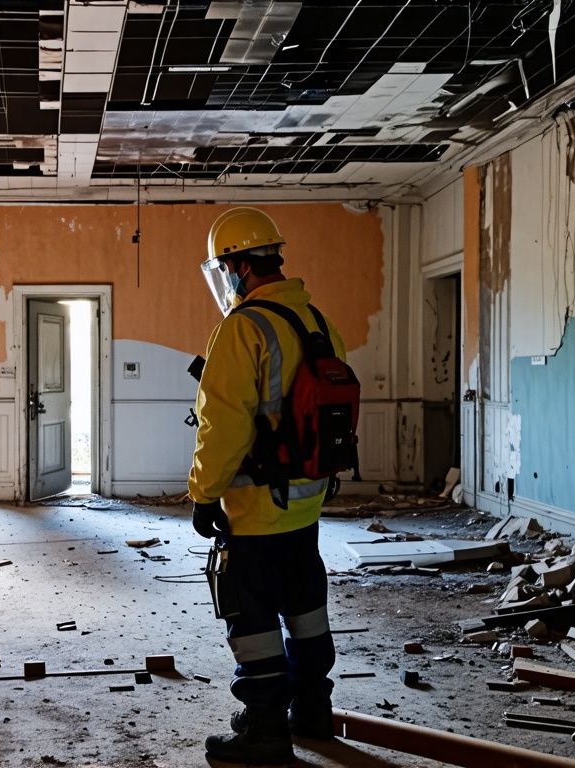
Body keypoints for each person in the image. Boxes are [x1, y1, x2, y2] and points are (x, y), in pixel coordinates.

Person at [188, 207, 343, 764]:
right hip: (306, 503)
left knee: (250, 619)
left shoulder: (242, 328)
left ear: (235, 266)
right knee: (306, 610)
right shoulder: (316, 320)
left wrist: (204, 493)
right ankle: (312, 712)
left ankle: (266, 730)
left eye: (225, 267)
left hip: (256, 506)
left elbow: (223, 423)